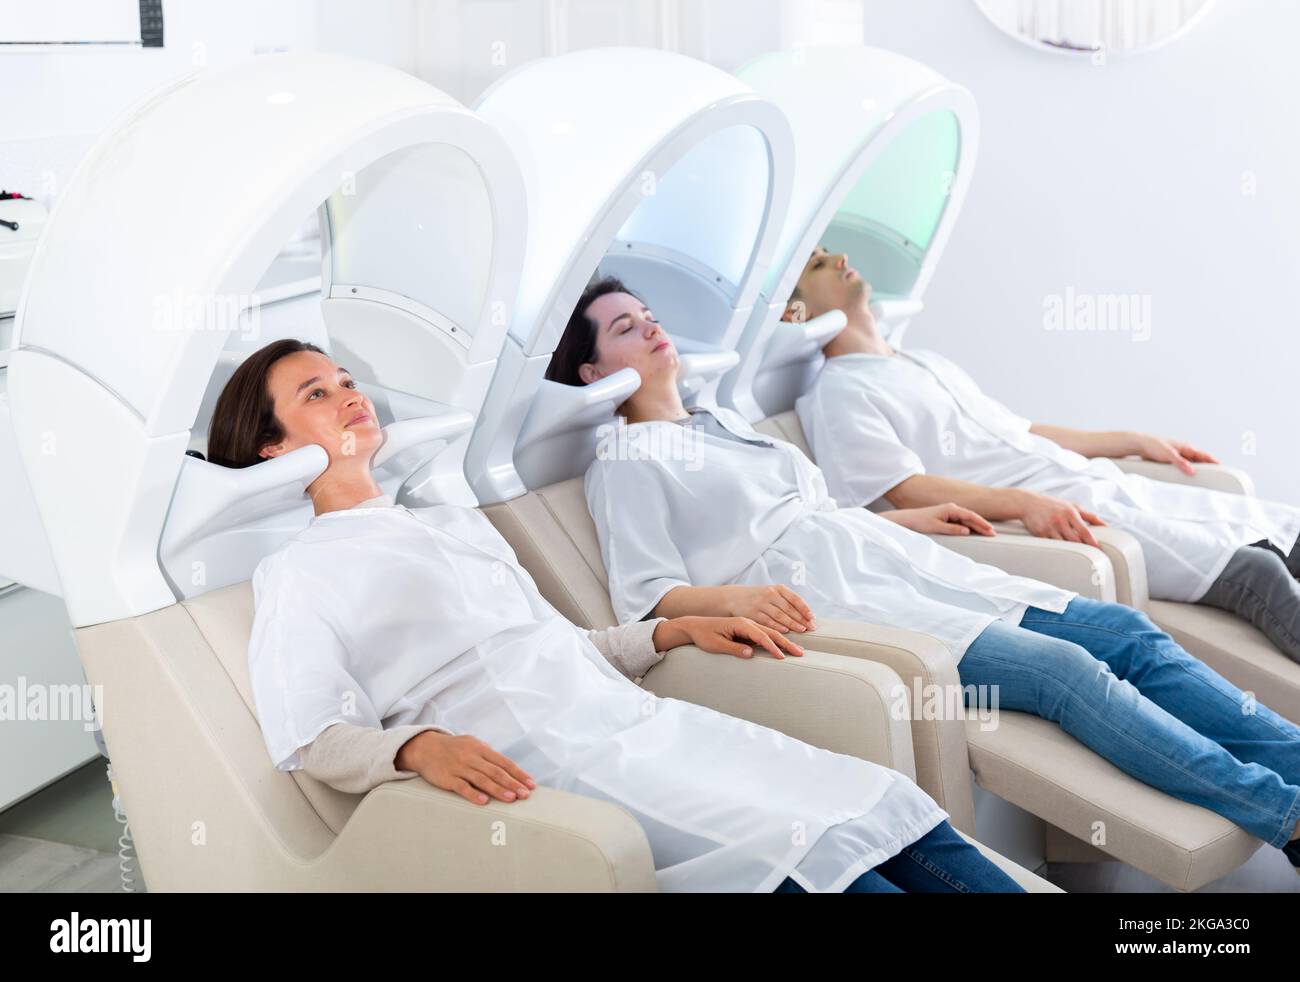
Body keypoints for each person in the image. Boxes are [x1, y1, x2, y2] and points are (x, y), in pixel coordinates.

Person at [207, 337, 1026, 893]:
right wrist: (417, 747)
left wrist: (669, 631)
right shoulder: (301, 571)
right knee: (824, 863)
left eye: (347, 381)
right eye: (317, 395)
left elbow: (559, 644)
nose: (349, 396)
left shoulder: (446, 522)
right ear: (274, 446)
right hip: (562, 766)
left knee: (882, 806)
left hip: (643, 724)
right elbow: (311, 736)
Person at [550, 277, 1300, 870]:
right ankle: (1282, 813)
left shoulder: (724, 423)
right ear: (592, 372)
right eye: (624, 328)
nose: (651, 327)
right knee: (1071, 672)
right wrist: (735, 596)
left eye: (648, 314)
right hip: (844, 603)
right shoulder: (625, 461)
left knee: (1134, 636)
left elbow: (817, 510)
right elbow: (648, 599)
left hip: (895, 561)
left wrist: (903, 521)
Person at [786, 247, 1300, 663]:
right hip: (1065, 514)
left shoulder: (920, 362)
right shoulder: (839, 393)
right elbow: (903, 491)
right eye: (816, 264)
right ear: (795, 311)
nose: (838, 258)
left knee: (1286, 530)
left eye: (830, 252)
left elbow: (1017, 431)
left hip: (1093, 482)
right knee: (1256, 569)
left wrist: (1131, 440)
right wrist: (1023, 503)